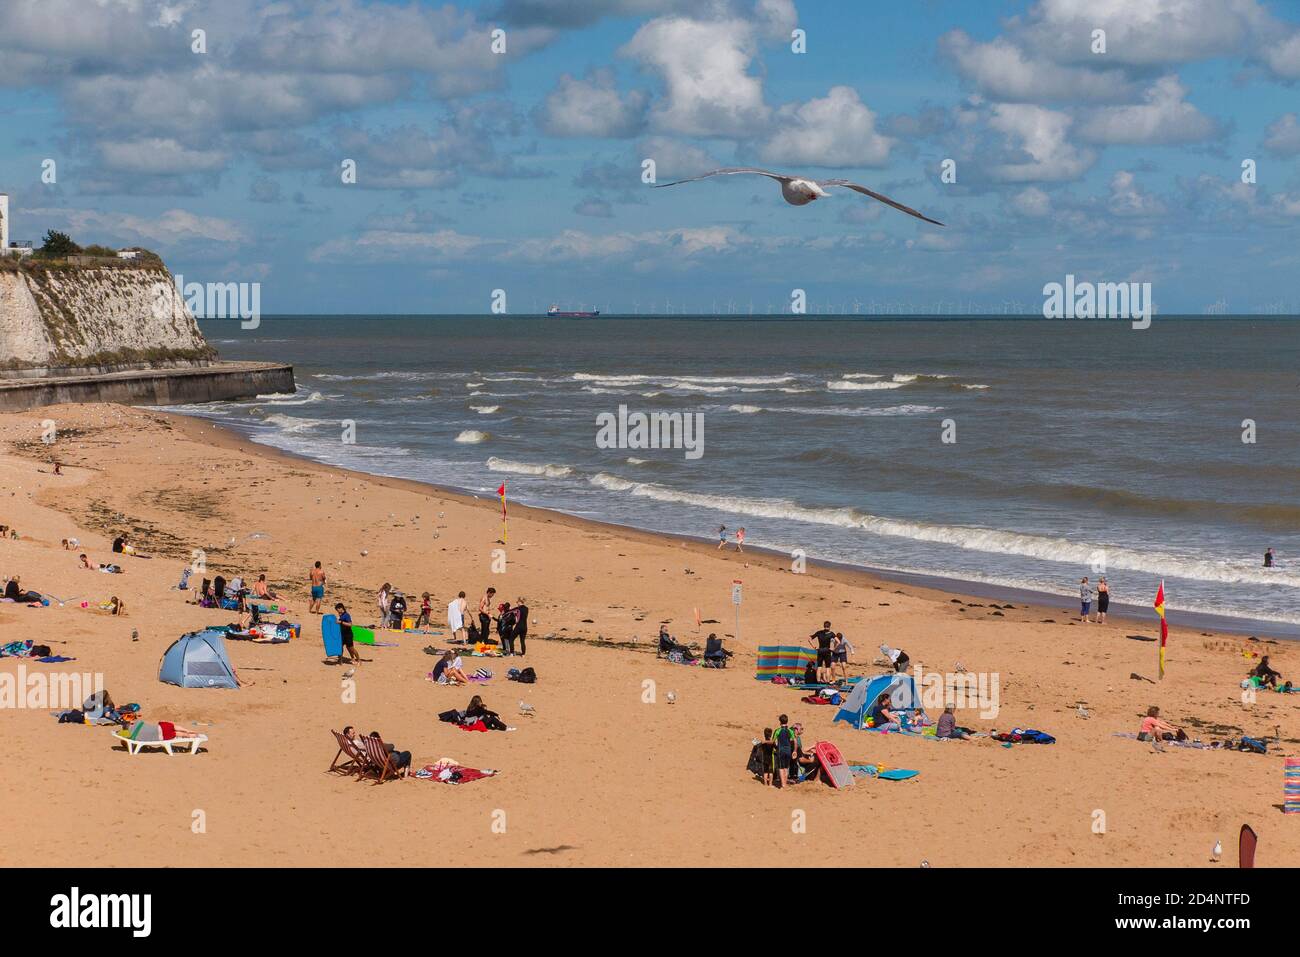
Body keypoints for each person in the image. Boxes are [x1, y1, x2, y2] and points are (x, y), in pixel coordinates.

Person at [772, 714, 797, 788]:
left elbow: (773, 741)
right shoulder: (790, 731)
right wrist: (795, 750)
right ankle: (785, 783)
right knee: (786, 767)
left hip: (781, 750)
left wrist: (775, 746)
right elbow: (794, 741)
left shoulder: (778, 730)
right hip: (788, 750)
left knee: (781, 767)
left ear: (780, 722)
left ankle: (783, 784)